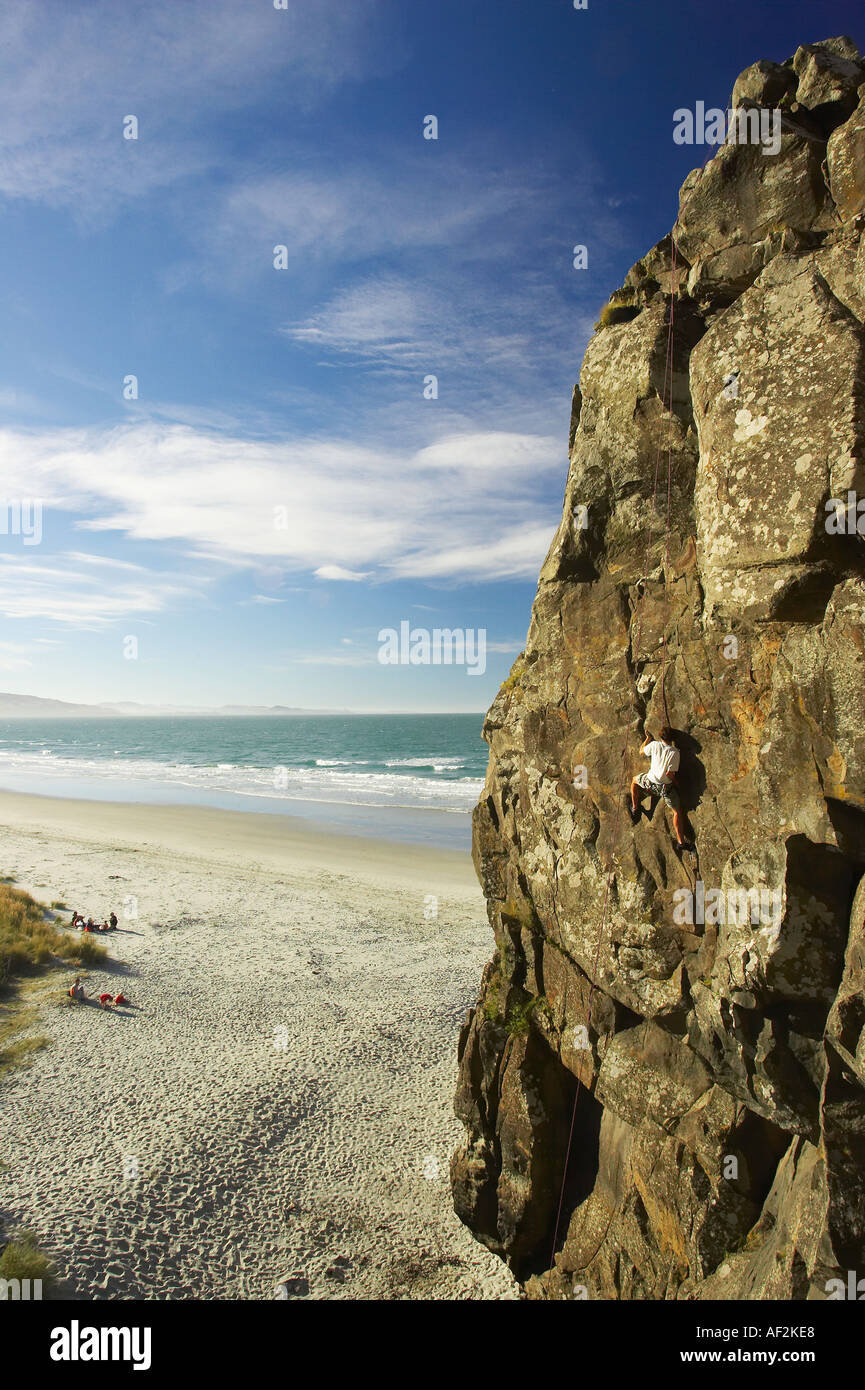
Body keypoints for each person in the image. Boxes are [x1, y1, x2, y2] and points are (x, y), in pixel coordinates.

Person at [628, 726, 694, 852]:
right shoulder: (675, 752)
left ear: (661, 737)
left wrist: (648, 739)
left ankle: (635, 807)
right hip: (665, 788)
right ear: (673, 738)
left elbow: (641, 751)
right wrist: (676, 783)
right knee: (677, 812)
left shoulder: (654, 745)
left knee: (634, 781)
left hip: (650, 781)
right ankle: (681, 842)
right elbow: (670, 774)